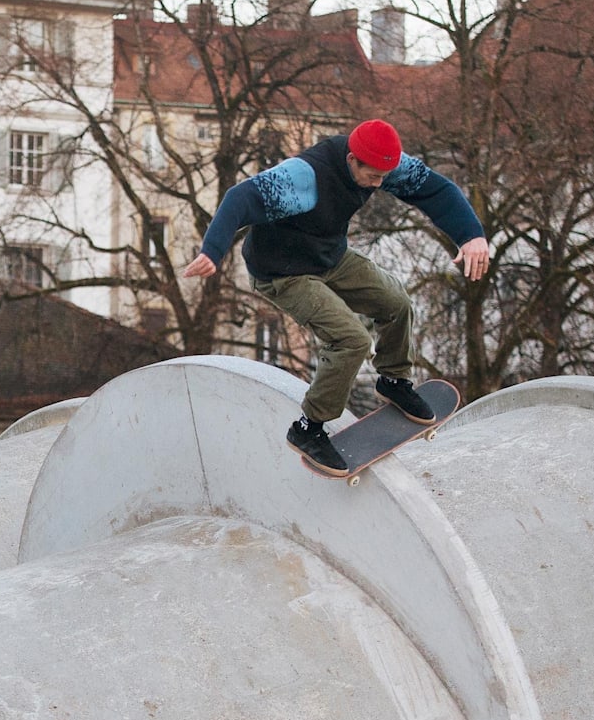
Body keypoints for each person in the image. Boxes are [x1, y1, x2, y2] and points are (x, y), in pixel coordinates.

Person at [182, 119, 490, 476]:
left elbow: (435, 189)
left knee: (396, 303)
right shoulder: (304, 177)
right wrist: (213, 249)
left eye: (383, 178)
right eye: (372, 176)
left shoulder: (382, 165)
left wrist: (470, 235)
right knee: (350, 340)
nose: (378, 185)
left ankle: (393, 380)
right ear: (351, 160)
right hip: (283, 272)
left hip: (329, 256)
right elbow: (240, 197)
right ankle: (308, 428)